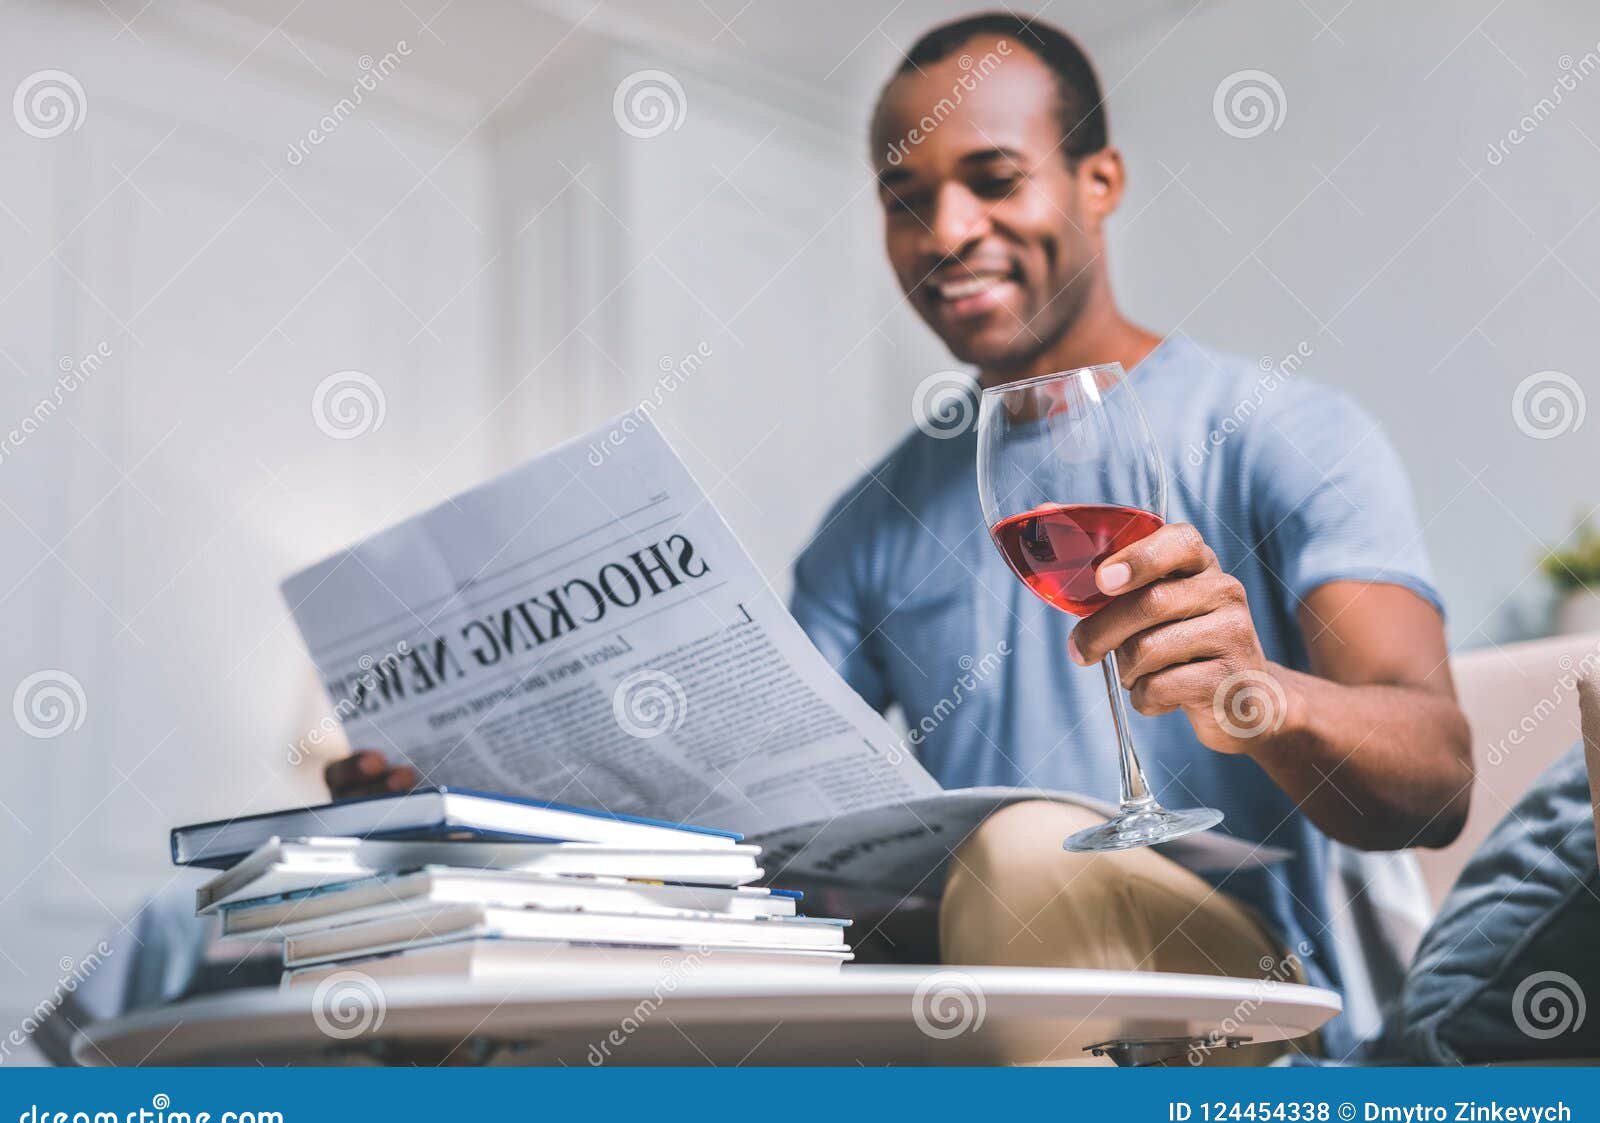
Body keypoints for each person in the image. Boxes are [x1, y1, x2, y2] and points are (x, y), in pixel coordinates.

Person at [327, 12, 1473, 1059]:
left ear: (1098, 180)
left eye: (992, 178)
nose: (945, 231)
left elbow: (1435, 779)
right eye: (903, 196)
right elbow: (734, 795)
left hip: (1245, 1001)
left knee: (1027, 857)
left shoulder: (1284, 431)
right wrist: (461, 804)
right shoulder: (870, 521)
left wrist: (1259, 694)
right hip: (957, 990)